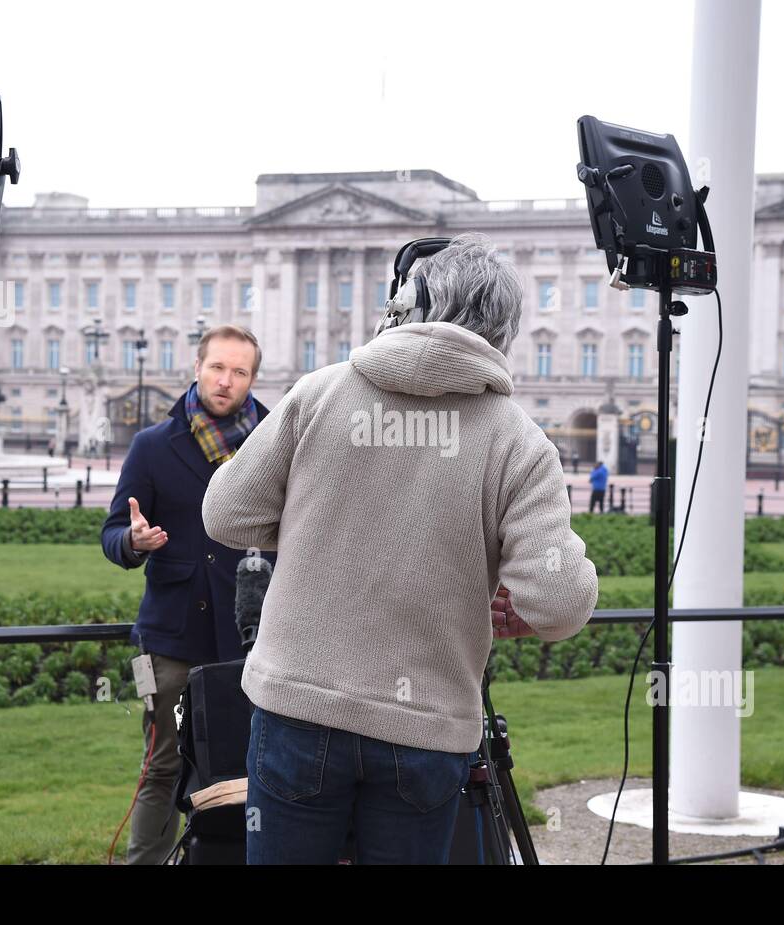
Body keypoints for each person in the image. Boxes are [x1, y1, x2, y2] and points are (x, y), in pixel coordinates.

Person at [202, 233, 598, 864]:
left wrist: (317, 526)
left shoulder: (320, 393)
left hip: (299, 707)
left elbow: (226, 513)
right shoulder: (518, 440)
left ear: (405, 304)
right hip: (427, 728)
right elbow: (559, 603)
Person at [100, 324, 273, 865]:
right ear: (197, 368)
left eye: (239, 372)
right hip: (170, 638)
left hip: (253, 638)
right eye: (217, 367)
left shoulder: (275, 444)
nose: (226, 381)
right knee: (162, 767)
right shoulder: (152, 446)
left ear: (252, 379)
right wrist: (132, 540)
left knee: (257, 767)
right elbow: (111, 535)